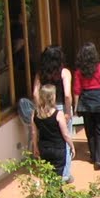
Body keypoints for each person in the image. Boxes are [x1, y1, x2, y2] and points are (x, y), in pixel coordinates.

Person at [32, 44, 74, 181]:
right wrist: (68, 112)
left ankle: (50, 172)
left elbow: (35, 93)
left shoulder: (40, 73)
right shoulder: (64, 72)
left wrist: (41, 108)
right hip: (61, 108)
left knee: (46, 139)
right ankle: (65, 174)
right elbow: (67, 94)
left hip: (45, 109)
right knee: (64, 140)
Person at [73, 41, 100, 170]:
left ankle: (93, 155)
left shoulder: (79, 71)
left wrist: (76, 107)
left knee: (90, 130)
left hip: (86, 102)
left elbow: (76, 90)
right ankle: (99, 159)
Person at [30, 83, 70, 178]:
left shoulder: (35, 113)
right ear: (52, 97)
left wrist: (35, 147)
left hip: (44, 148)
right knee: (58, 174)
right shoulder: (58, 114)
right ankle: (55, 192)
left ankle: (52, 192)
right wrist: (71, 146)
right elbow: (65, 134)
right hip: (58, 148)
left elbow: (34, 132)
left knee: (48, 175)